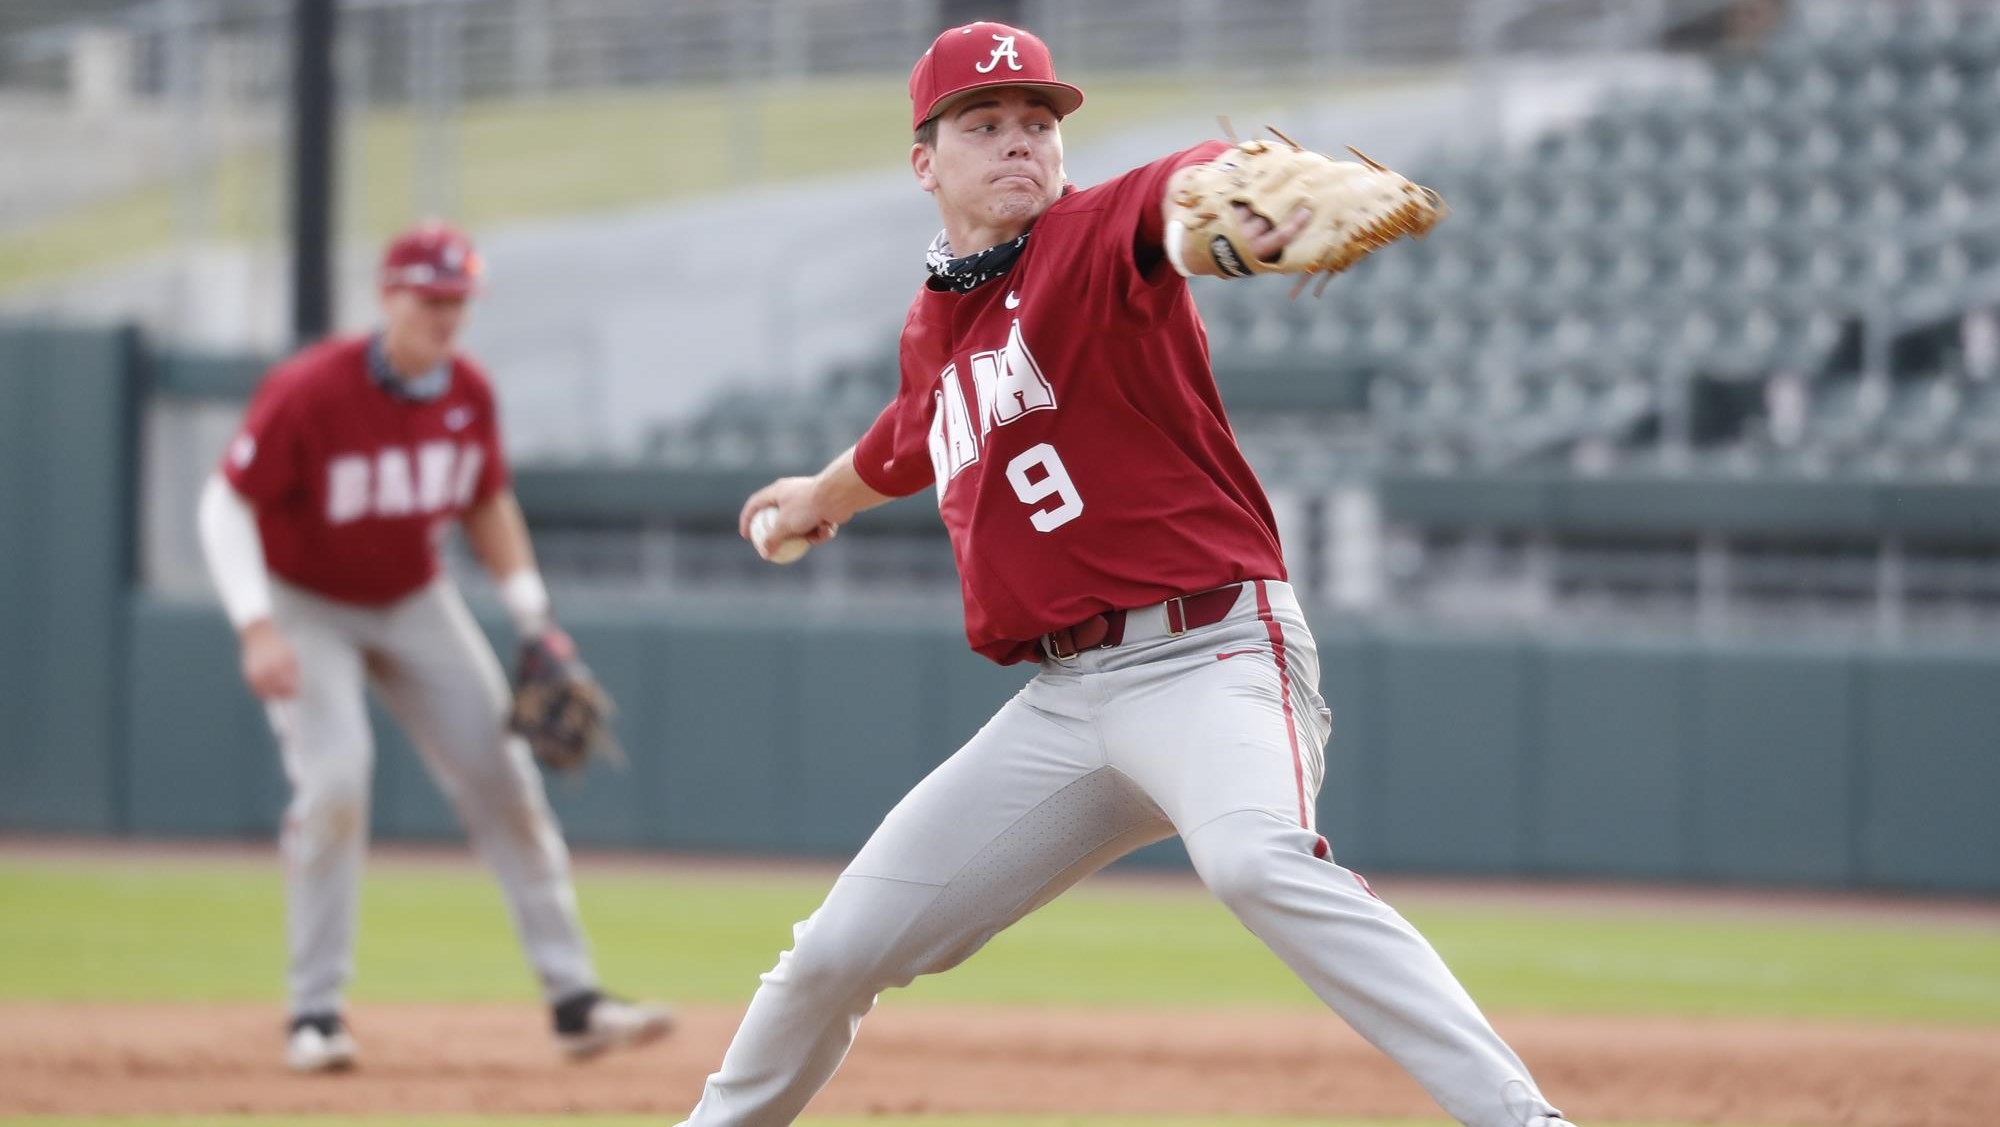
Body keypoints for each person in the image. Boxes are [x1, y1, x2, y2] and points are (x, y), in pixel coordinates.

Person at [698, 22, 1575, 1127]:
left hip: (1212, 657)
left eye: (1036, 123)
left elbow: (1179, 193)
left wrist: (1248, 188)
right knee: (835, 949)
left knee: (1256, 862)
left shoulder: (1094, 230)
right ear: (925, 161)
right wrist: (820, 498)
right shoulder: (937, 325)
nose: (1019, 142)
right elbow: (911, 436)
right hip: (1064, 704)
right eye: (984, 125)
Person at [196, 221, 673, 1073]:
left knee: (505, 775)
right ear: (388, 297)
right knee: (335, 780)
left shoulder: (468, 391)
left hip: (414, 597)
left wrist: (533, 618)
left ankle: (574, 1000)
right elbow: (226, 505)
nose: (447, 316)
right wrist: (255, 622)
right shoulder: (311, 389)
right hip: (305, 601)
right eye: (431, 299)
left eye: (459, 301)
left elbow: (488, 502)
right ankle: (314, 1011)